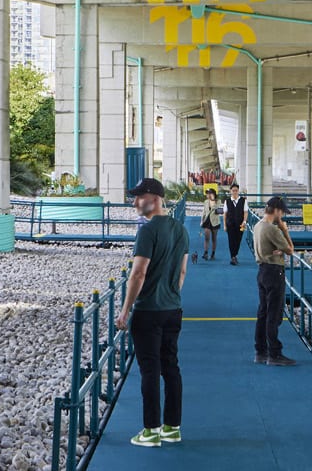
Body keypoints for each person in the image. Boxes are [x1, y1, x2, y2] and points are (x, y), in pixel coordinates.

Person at [116, 178, 189, 448]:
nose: (135, 202)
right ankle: (172, 427)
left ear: (155, 198)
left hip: (148, 310)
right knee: (171, 367)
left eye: (139, 197)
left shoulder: (147, 231)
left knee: (149, 370)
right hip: (173, 309)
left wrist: (125, 310)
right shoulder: (180, 229)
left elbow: (138, 273)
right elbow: (182, 272)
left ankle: (150, 430)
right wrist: (171, 295)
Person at [251, 196, 296, 366]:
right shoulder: (272, 229)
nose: (282, 216)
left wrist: (278, 250)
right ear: (276, 210)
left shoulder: (258, 226)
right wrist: (284, 230)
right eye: (282, 212)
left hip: (262, 270)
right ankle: (275, 354)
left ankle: (260, 351)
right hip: (274, 272)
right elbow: (290, 250)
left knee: (263, 312)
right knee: (273, 314)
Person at [223, 183, 249, 265]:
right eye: (233, 190)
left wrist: (244, 221)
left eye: (236, 190)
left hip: (240, 224)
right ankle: (233, 257)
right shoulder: (227, 201)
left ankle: (235, 254)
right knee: (231, 240)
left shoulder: (243, 201)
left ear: (238, 191)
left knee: (238, 240)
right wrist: (224, 225)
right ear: (230, 191)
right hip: (230, 224)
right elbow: (225, 214)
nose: (235, 192)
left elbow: (245, 212)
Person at [199, 188, 221, 260]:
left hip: (215, 221)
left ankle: (213, 254)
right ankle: (205, 253)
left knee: (214, 239)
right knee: (206, 238)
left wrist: (213, 200)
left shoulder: (218, 201)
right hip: (207, 221)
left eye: (209, 193)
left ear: (213, 194)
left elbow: (216, 207)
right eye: (207, 193)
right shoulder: (206, 202)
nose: (208, 195)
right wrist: (202, 220)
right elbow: (204, 212)